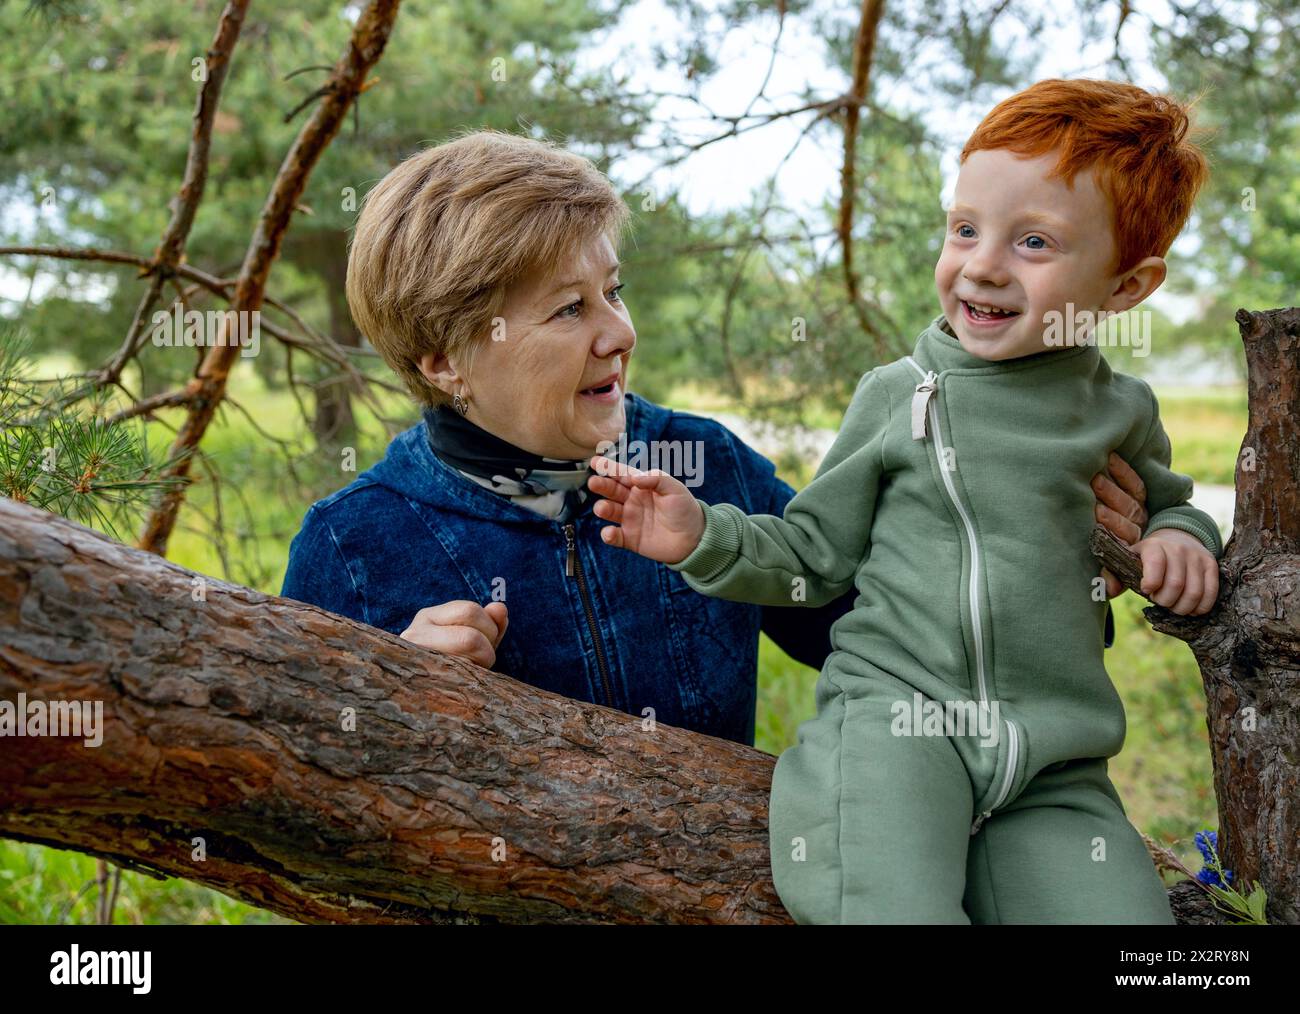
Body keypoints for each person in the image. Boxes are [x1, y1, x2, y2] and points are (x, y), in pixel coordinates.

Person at [281, 128, 1152, 750]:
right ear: (444, 360)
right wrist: (387, 692)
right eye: (568, 308)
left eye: (613, 291)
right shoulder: (352, 544)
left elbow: (875, 628)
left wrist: (1039, 557)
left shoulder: (708, 464)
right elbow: (297, 795)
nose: (618, 333)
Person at [587, 79, 1221, 923]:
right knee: (887, 903)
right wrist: (702, 533)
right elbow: (814, 552)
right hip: (899, 725)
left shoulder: (1120, 409)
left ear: (1127, 286)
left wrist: (1180, 538)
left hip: (1054, 762)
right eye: (964, 229)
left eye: (1033, 241)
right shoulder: (901, 393)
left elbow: (1174, 505)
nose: (982, 264)